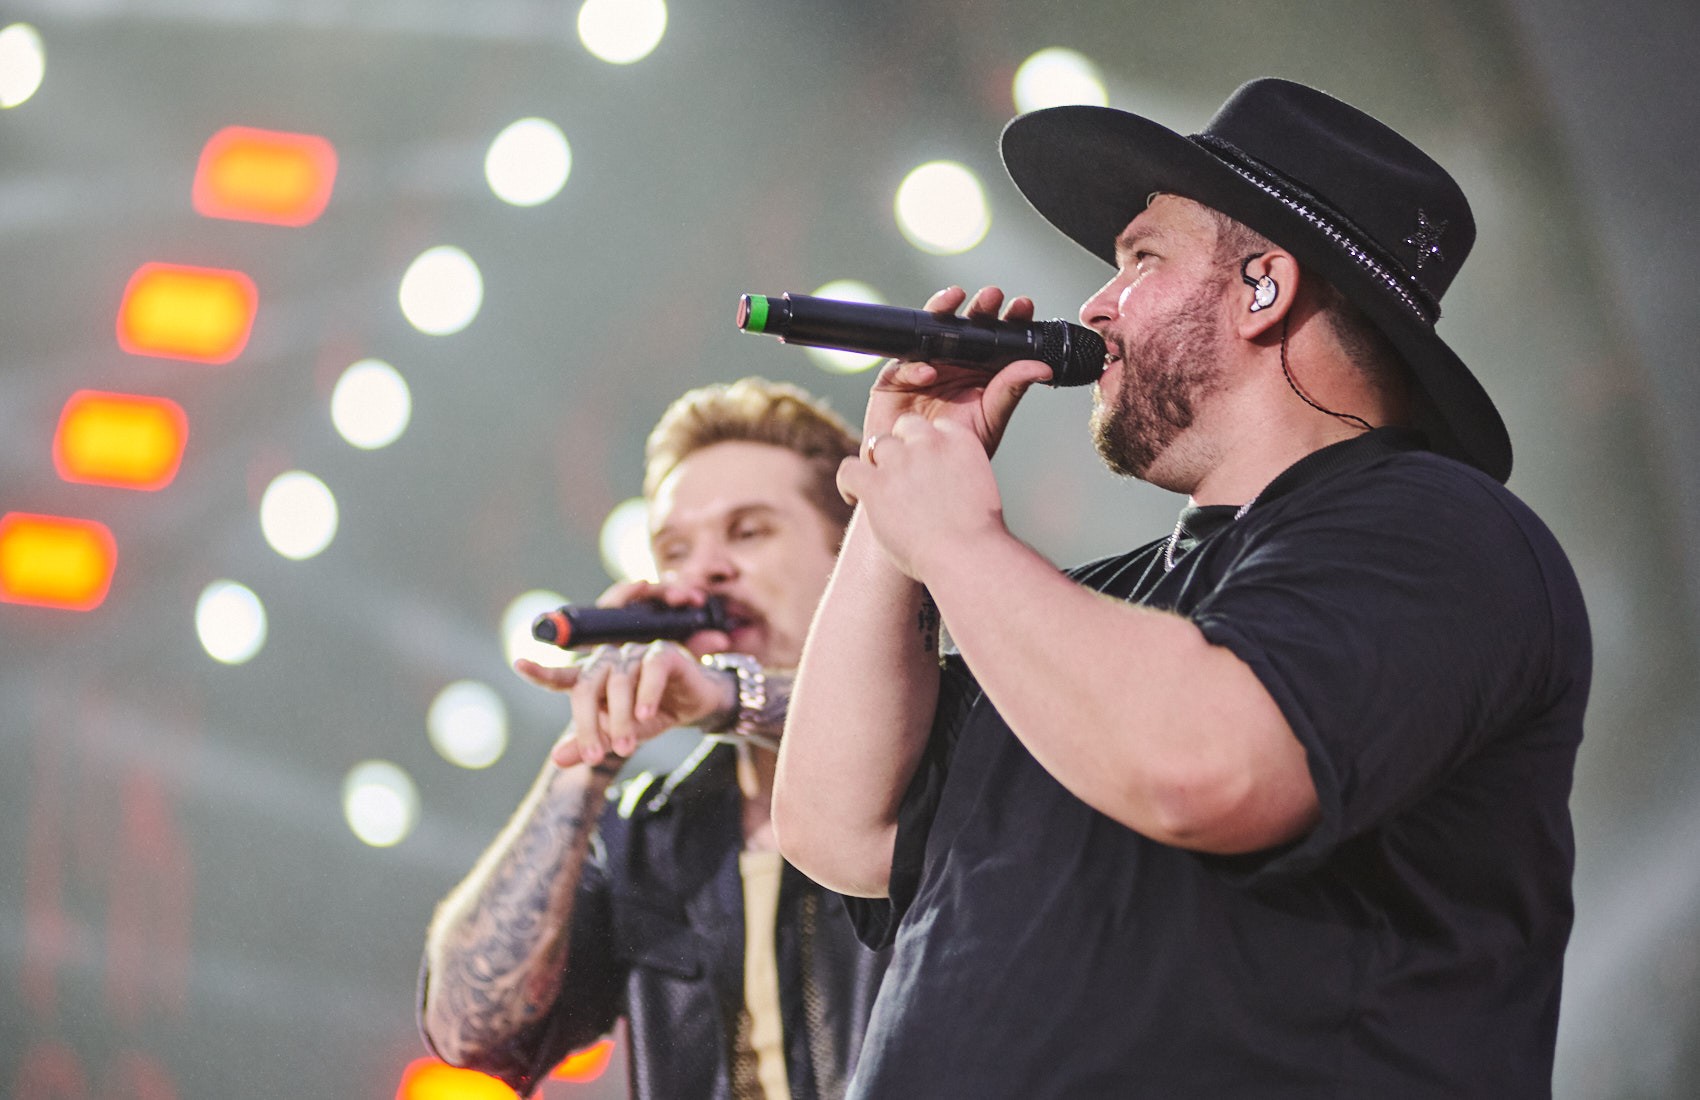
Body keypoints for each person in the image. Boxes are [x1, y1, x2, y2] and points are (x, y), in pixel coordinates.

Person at [773, 78, 1592, 1097]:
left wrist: (959, 543)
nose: (1094, 305)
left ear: (1263, 285)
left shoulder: (1446, 531)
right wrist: (895, 504)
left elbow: (1204, 766)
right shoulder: (1095, 613)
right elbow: (837, 828)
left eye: (1138, 259)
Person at [420, 377, 885, 1100]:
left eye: (749, 531)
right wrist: (588, 758)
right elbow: (470, 1032)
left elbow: (879, 709)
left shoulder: (953, 730)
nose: (705, 570)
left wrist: (734, 699)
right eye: (675, 549)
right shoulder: (652, 834)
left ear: (848, 548)